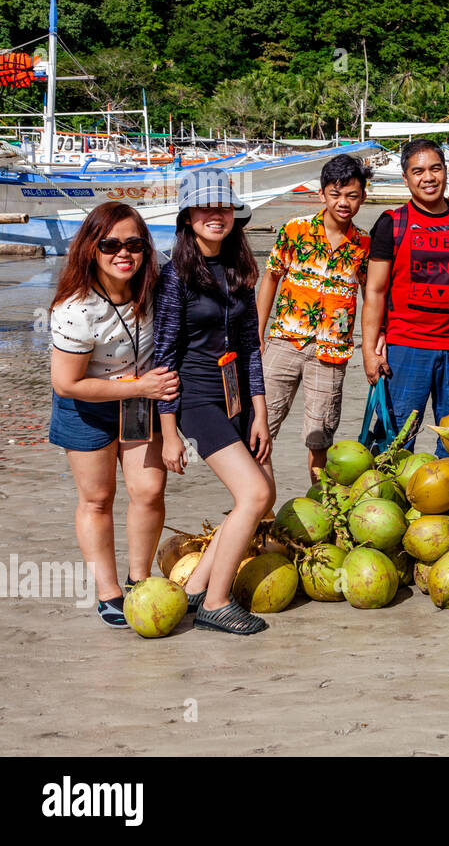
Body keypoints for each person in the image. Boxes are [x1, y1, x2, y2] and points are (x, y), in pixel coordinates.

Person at [155, 167, 275, 635]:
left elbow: (250, 346)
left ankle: (195, 591)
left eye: (222, 207)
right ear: (187, 217)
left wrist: (260, 411)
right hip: (198, 397)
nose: (215, 215)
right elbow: (163, 357)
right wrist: (169, 432)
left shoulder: (242, 269)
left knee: (260, 496)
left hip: (238, 395)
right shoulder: (174, 277)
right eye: (205, 208)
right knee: (255, 493)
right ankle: (217, 603)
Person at [49, 202, 178, 628]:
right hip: (86, 407)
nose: (123, 253)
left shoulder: (155, 284)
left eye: (134, 244)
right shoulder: (76, 309)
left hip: (138, 406)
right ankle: (109, 593)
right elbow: (66, 383)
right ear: (91, 248)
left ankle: (139, 579)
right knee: (97, 498)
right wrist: (139, 386)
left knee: (148, 490)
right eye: (110, 244)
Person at [361, 139, 449, 447]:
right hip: (406, 347)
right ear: (406, 178)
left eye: (435, 168)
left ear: (446, 172)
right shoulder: (392, 224)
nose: (428, 177)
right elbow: (375, 291)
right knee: (395, 443)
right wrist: (369, 351)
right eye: (418, 171)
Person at [256, 154, 371, 481]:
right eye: (335, 194)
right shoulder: (295, 230)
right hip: (283, 342)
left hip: (331, 352)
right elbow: (271, 279)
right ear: (322, 195)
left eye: (351, 195)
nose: (343, 202)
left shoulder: (364, 243)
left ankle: (319, 507)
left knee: (319, 435)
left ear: (362, 196)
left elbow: (370, 295)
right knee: (261, 428)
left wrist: (375, 343)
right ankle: (259, 512)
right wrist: (257, 332)